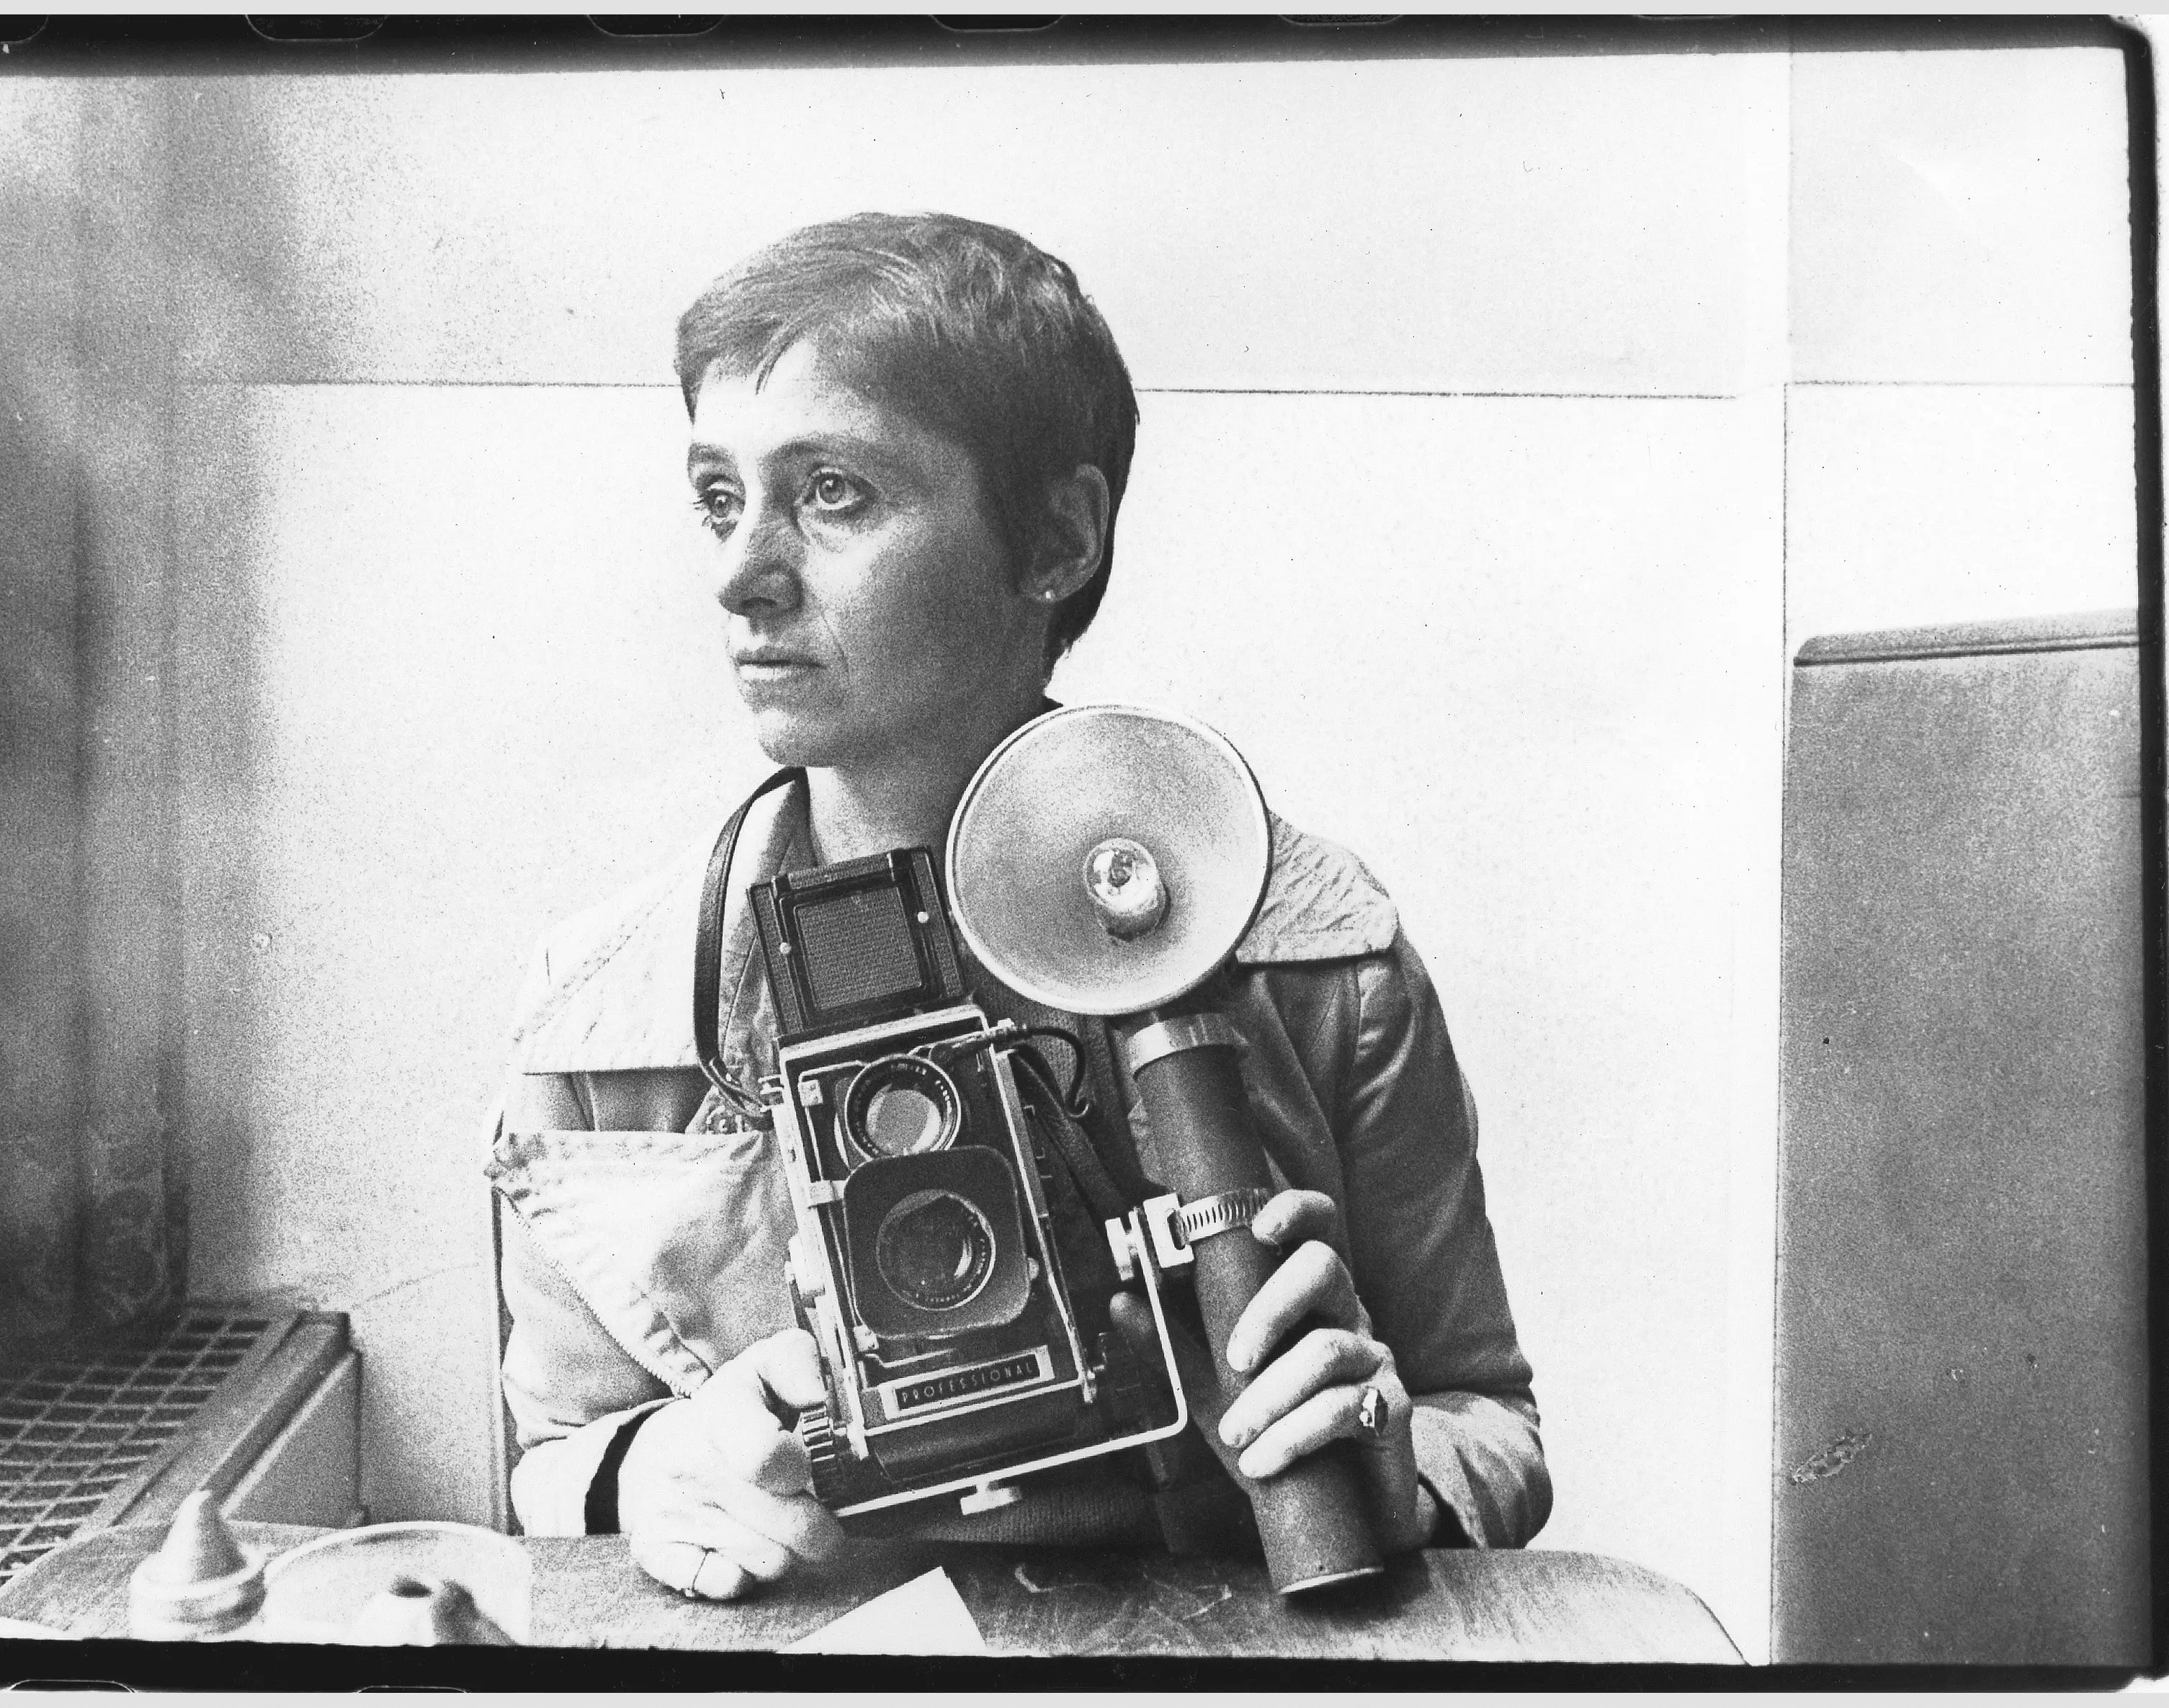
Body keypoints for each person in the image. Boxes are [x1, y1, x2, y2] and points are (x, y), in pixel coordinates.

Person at [485, 211, 1549, 1603]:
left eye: (834, 494)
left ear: (1055, 533)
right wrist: (654, 1473)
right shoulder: (598, 1019)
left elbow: (1496, 1426)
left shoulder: (1305, 957)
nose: (741, 573)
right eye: (717, 498)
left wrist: (1388, 1460)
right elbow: (550, 1461)